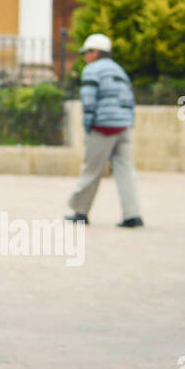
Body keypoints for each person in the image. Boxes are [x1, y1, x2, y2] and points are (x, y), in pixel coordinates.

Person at [65, 33, 143, 227]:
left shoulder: (92, 70)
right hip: (123, 126)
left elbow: (89, 102)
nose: (84, 57)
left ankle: (80, 212)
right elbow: (129, 99)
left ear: (96, 52)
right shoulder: (120, 71)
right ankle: (132, 215)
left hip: (102, 127)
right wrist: (128, 121)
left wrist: (88, 126)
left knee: (91, 169)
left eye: (87, 52)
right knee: (125, 170)